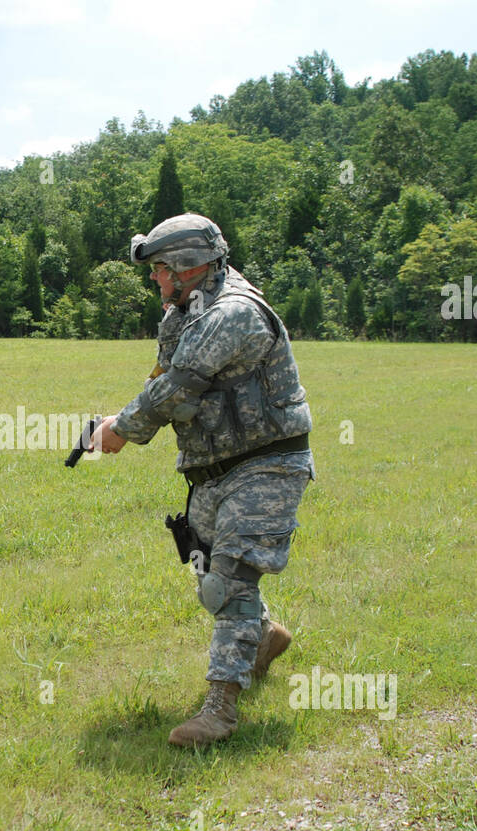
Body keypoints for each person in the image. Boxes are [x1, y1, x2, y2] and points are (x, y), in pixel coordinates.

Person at [91, 213, 315, 748]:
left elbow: (178, 389)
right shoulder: (185, 313)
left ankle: (220, 709)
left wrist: (120, 430)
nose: (154, 279)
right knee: (206, 571)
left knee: (231, 578)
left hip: (268, 460)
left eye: (161, 268)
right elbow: (164, 379)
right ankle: (264, 637)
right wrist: (122, 418)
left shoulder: (233, 314)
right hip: (215, 468)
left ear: (190, 267)